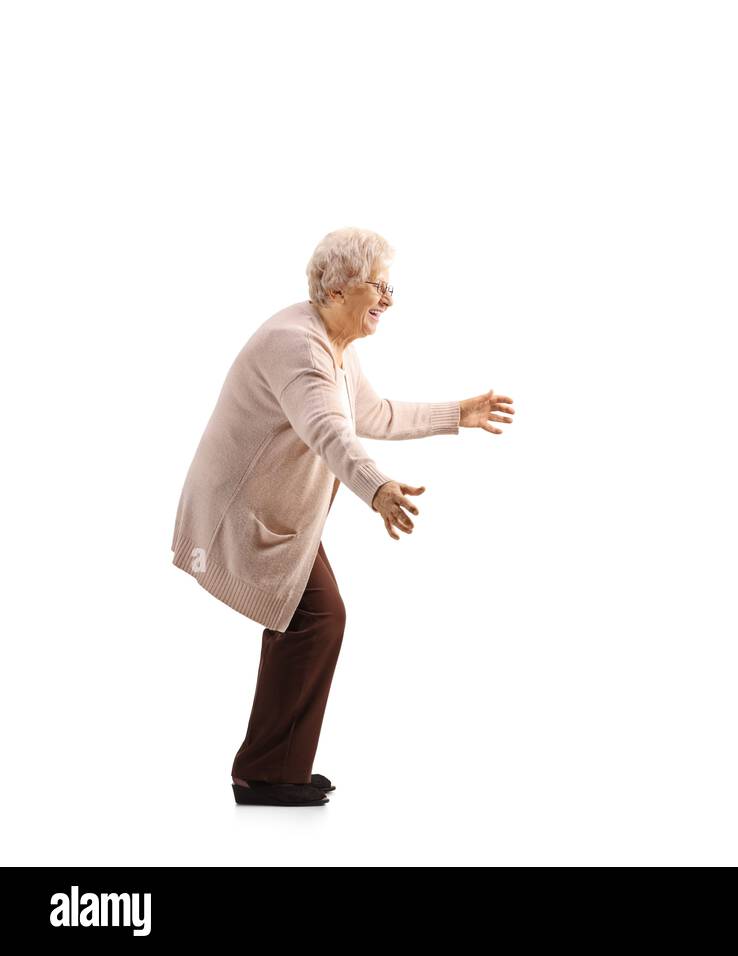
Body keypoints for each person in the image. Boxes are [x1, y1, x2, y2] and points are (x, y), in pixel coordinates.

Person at [170, 226, 515, 806]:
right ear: (335, 288)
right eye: (378, 286)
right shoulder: (299, 346)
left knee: (305, 620)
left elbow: (371, 414)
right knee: (317, 618)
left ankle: (271, 767)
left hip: (281, 516)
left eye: (390, 286)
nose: (389, 299)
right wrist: (378, 489)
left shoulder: (332, 346)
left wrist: (460, 413)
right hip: (243, 512)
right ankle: (265, 772)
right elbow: (329, 432)